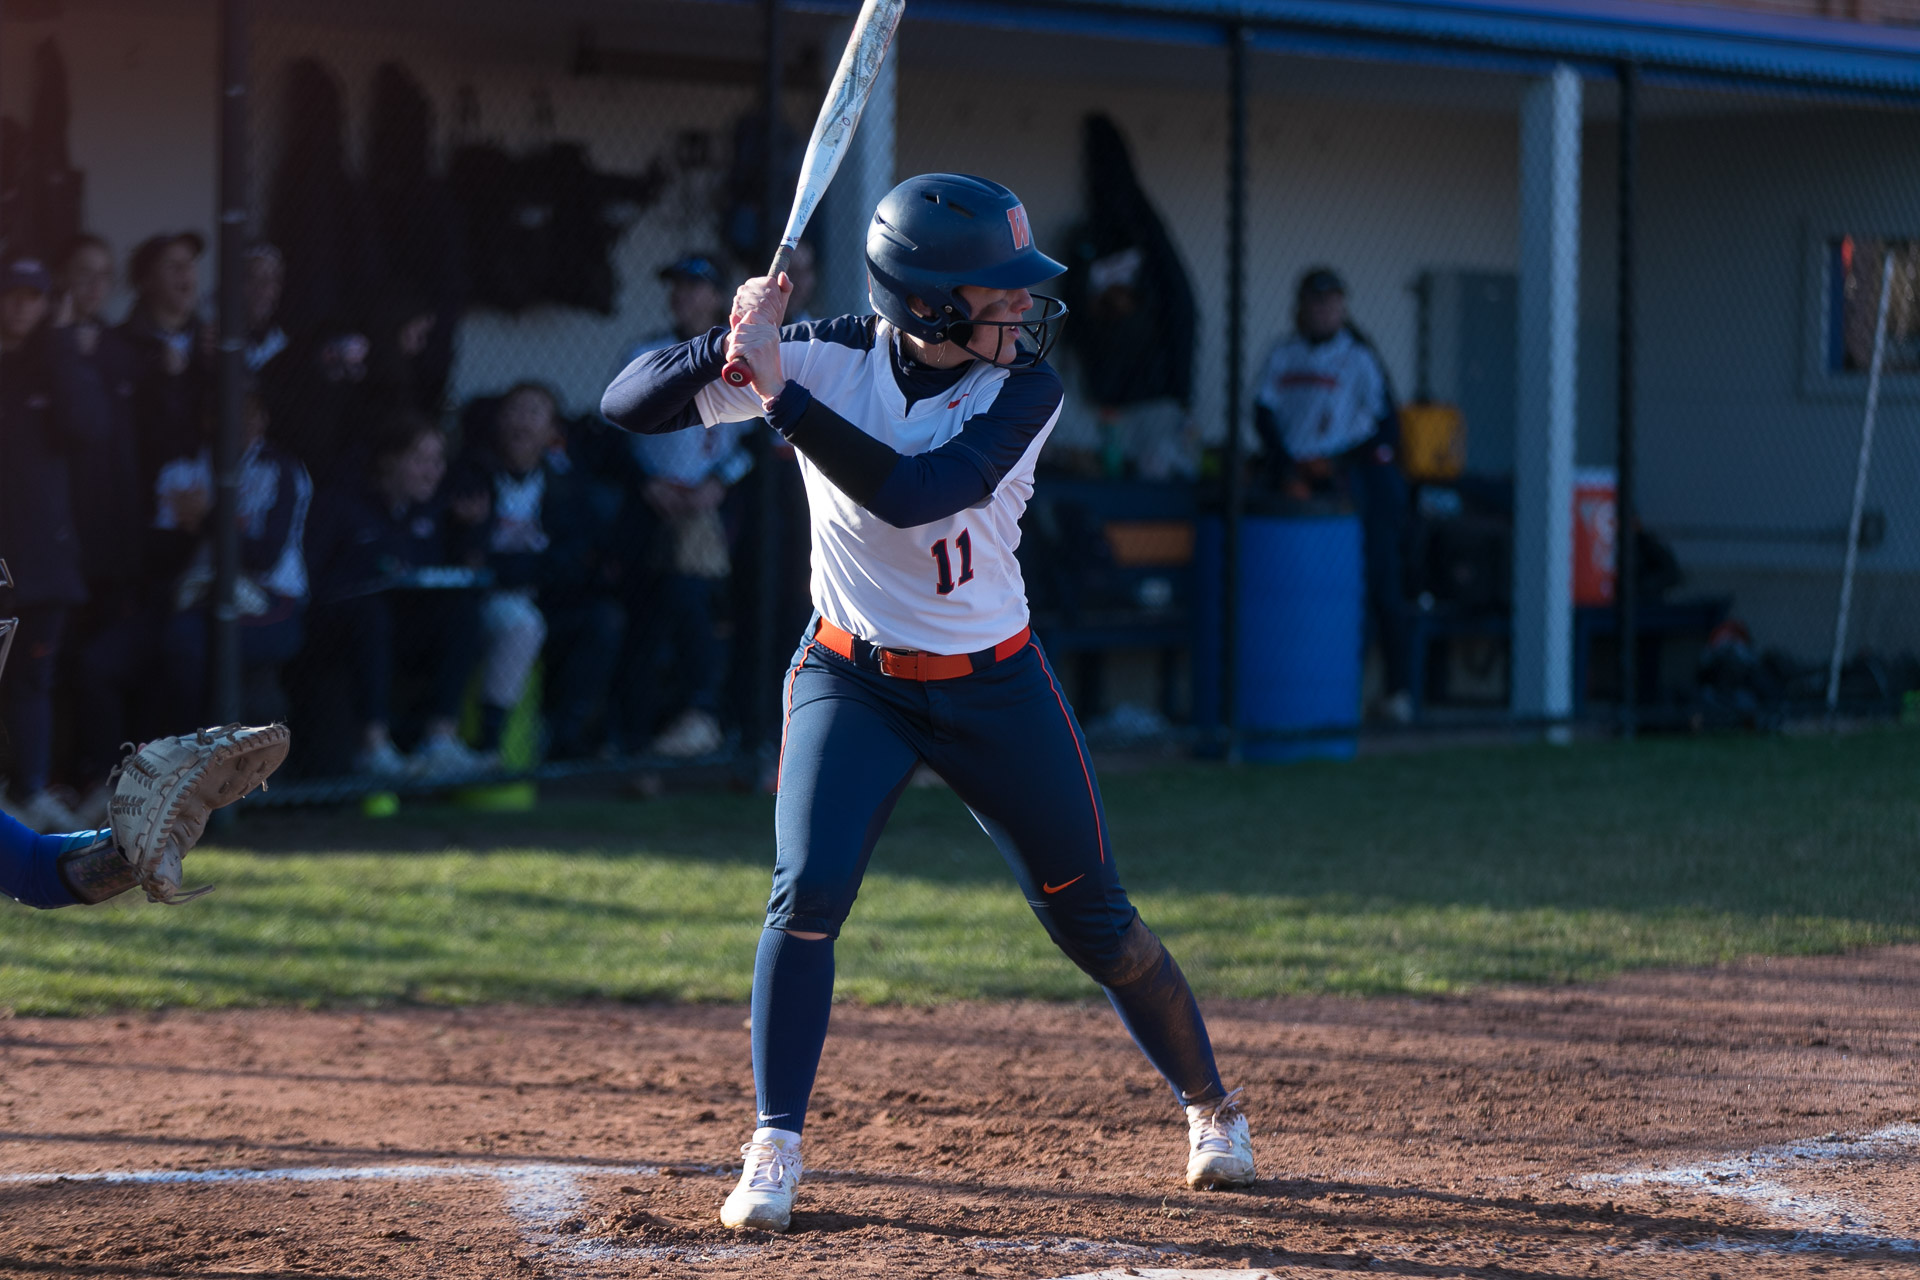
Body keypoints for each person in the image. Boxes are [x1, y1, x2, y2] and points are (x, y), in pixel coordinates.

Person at [602, 173, 1255, 1233]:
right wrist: (731, 342)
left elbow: (917, 495)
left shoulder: (1023, 392)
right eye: (998, 290)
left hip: (993, 684)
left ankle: (1212, 1106)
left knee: (1094, 920)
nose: (1022, 306)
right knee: (806, 891)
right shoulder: (824, 353)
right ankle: (774, 1141)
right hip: (851, 678)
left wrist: (781, 397)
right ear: (928, 304)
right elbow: (626, 402)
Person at [1253, 267, 1412, 724]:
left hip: (1353, 480)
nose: (1324, 310)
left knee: (1379, 583)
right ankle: (1322, 691)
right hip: (1297, 477)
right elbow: (1262, 411)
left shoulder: (1358, 357)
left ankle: (1396, 691)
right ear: (1301, 307)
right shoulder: (1283, 354)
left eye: (1333, 302)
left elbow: (1386, 427)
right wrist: (1288, 466)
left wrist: (1337, 463)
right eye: (1316, 301)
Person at [616, 253, 755, 759]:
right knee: (643, 612)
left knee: (693, 602)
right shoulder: (646, 352)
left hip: (707, 510)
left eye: (695, 286)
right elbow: (616, 429)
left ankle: (702, 715)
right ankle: (632, 733)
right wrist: (645, 483)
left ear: (717, 297)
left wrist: (718, 483)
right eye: (677, 285)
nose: (682, 295)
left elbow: (756, 440)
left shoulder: (740, 356)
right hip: (651, 503)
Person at [300, 413, 487, 779]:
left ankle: (440, 741)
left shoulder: (432, 512)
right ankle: (373, 747)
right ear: (389, 461)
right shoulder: (340, 504)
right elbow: (312, 581)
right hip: (341, 629)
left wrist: (470, 530)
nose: (432, 472)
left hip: (402, 628)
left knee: (463, 611)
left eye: (438, 461)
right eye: (420, 460)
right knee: (371, 614)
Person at [463, 383, 623, 761]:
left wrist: (519, 570)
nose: (522, 422)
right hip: (482, 598)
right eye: (515, 410)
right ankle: (485, 743)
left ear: (553, 431)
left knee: (603, 620)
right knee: (517, 624)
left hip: (542, 595)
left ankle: (565, 737)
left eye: (534, 413)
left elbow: (571, 559)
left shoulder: (565, 486)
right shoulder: (472, 475)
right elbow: (466, 556)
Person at [0, 255, 104, 832]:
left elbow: (88, 427)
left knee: (31, 679)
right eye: (11, 294)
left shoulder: (55, 366)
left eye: (33, 297)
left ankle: (30, 791)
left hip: (42, 564)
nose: (21, 307)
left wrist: (63, 345)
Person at [154, 390, 312, 727]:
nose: (245, 424)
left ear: (263, 419)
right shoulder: (187, 469)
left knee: (186, 639)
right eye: (232, 413)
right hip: (197, 595)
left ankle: (197, 747)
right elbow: (160, 554)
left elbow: (265, 556)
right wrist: (193, 528)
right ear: (210, 420)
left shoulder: (279, 470)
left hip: (270, 599)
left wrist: (207, 518)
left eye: (252, 413)